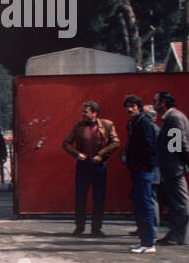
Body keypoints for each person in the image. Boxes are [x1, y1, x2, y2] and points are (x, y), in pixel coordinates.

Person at [62, 101, 119, 236]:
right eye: (82, 112)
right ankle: (79, 227)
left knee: (98, 197)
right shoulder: (78, 126)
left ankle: (96, 228)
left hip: (99, 166)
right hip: (83, 166)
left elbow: (115, 142)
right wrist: (76, 153)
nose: (82, 114)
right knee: (80, 196)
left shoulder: (107, 125)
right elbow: (66, 143)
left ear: (94, 113)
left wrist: (101, 155)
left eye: (85, 112)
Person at [153, 91, 189, 246]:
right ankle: (173, 234)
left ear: (163, 103)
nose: (153, 105)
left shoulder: (174, 118)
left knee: (181, 203)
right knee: (175, 203)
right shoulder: (171, 117)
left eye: (155, 101)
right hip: (172, 167)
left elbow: (178, 144)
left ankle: (179, 236)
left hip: (174, 168)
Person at [123, 95, 158, 253]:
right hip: (138, 168)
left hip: (142, 169)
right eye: (127, 106)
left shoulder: (143, 123)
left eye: (133, 106)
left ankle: (148, 242)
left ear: (138, 106)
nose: (129, 109)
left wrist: (143, 164)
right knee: (141, 204)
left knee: (145, 205)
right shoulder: (135, 123)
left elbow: (149, 146)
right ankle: (145, 241)